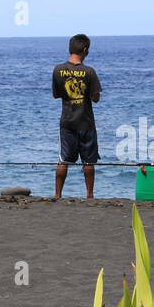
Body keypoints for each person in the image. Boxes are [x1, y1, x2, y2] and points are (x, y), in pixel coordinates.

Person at [52, 34, 101, 199]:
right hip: (86, 122)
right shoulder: (89, 72)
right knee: (88, 161)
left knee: (63, 159)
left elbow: (56, 95)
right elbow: (96, 98)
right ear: (85, 49)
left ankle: (58, 195)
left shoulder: (58, 70)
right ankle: (90, 195)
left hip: (67, 122)